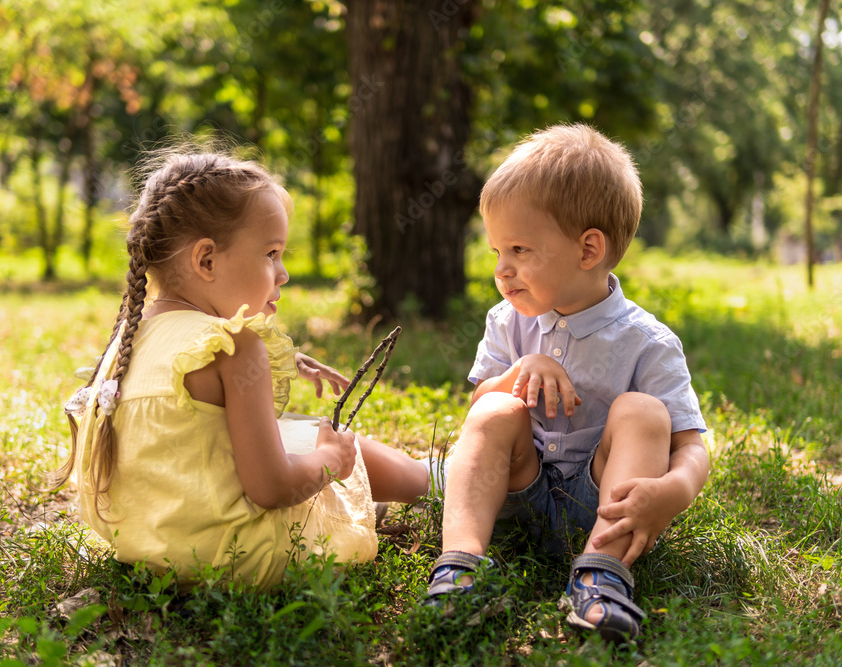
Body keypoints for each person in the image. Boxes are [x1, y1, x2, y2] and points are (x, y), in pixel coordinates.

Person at [51, 150, 428, 589]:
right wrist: (330, 460)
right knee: (320, 439)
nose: (282, 274)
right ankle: (432, 480)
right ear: (206, 260)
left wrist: (282, 361)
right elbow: (271, 488)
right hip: (243, 557)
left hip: (148, 551)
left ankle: (404, 484)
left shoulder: (127, 339)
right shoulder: (236, 346)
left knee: (280, 435)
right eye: (271, 253)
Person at [425, 124, 709, 643]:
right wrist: (517, 374)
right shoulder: (507, 322)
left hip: (603, 502)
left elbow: (691, 446)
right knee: (493, 412)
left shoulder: (648, 341)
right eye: (496, 252)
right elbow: (477, 411)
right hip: (517, 490)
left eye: (519, 249)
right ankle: (460, 564)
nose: (502, 270)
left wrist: (674, 489)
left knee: (645, 412)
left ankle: (601, 573)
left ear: (588, 250)